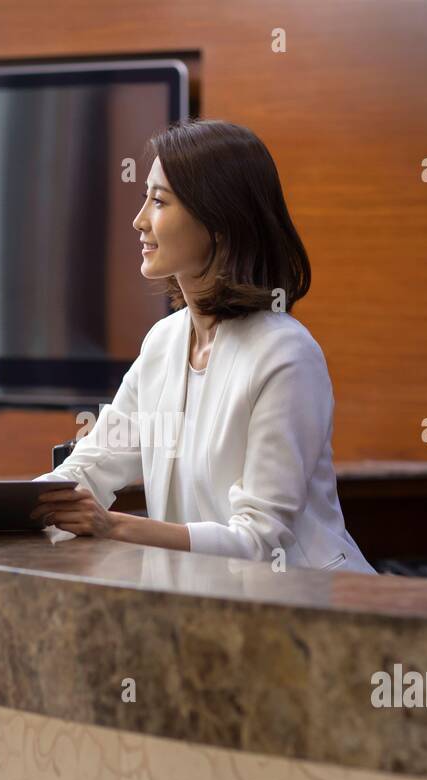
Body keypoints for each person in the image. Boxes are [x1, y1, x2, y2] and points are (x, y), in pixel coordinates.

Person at [32, 119, 374, 574]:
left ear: (218, 221)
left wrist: (114, 527)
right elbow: (91, 466)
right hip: (206, 608)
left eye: (158, 202)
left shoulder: (287, 355)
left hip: (308, 612)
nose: (139, 221)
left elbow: (260, 540)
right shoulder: (163, 343)